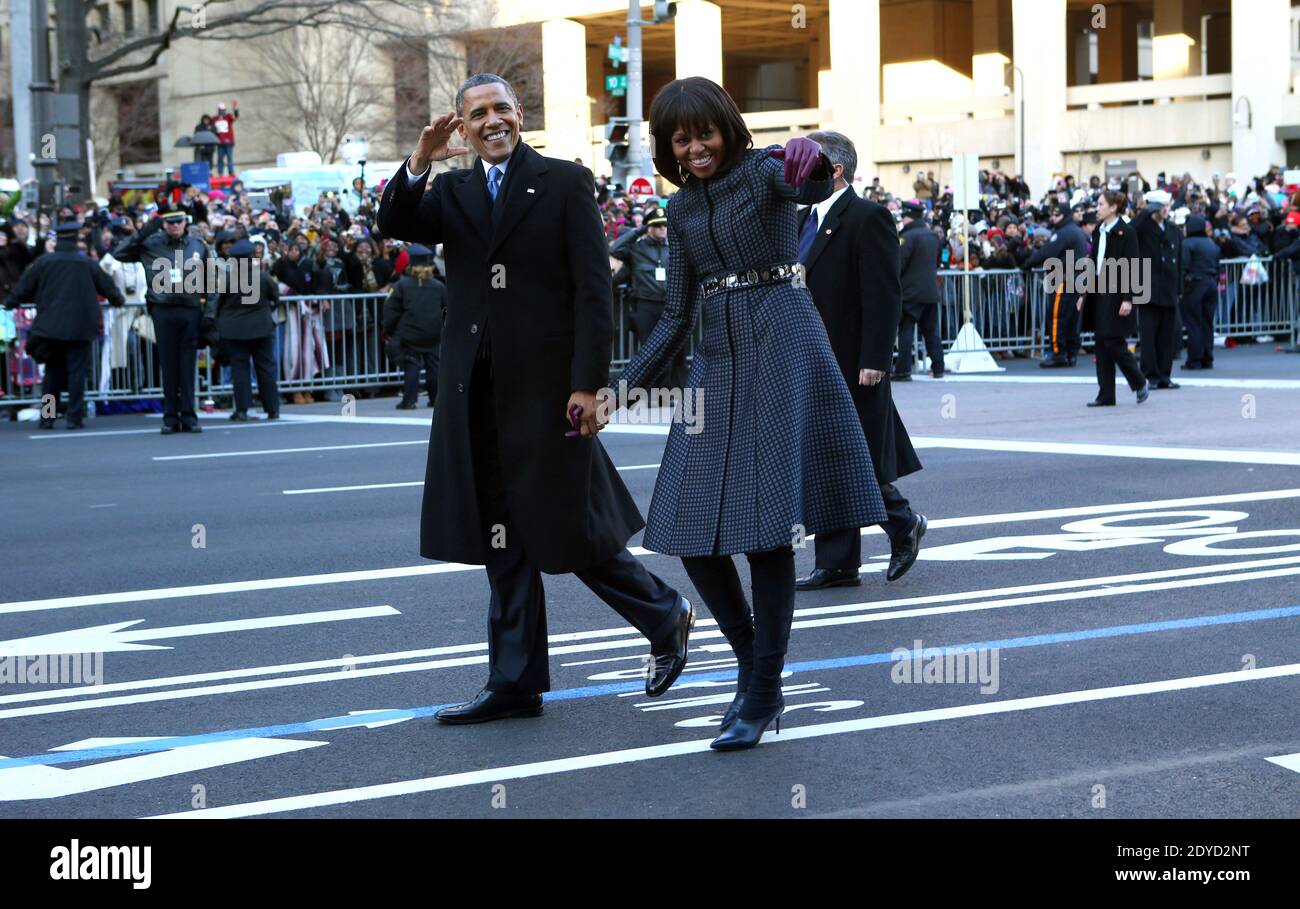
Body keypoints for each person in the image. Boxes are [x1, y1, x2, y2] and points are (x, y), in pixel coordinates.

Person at [378, 73, 693, 725]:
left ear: (520, 115)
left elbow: (592, 289)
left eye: (501, 110)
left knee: (562, 524)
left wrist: (589, 382)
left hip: (549, 389)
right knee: (503, 535)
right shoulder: (454, 189)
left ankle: (665, 614)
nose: (492, 121)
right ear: (461, 128)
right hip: (475, 393)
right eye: (477, 115)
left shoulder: (563, 181)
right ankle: (515, 680)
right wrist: (420, 159)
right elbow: (396, 219)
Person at [603, 77, 887, 751]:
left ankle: (760, 689)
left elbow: (811, 184)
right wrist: (622, 387)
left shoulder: (766, 173)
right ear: (667, 148)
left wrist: (807, 159)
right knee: (691, 530)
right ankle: (753, 664)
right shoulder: (679, 209)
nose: (695, 147)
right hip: (717, 359)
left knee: (765, 533)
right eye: (680, 138)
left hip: (783, 340)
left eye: (704, 132)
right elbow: (675, 312)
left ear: (727, 127)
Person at [794, 131, 927, 591]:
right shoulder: (801, 220)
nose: (796, 172)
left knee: (855, 455)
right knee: (827, 458)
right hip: (811, 358)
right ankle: (837, 561)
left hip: (853, 359)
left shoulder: (867, 216)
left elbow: (883, 291)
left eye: (807, 164)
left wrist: (876, 356)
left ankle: (902, 522)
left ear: (835, 170)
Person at [3, 223, 125, 429]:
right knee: (77, 374)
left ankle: (48, 417)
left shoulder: (43, 262)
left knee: (52, 374)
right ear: (76, 238)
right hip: (81, 327)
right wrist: (118, 300)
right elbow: (110, 290)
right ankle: (74, 418)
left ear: (57, 240)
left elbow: (22, 289)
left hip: (51, 328)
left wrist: (10, 303)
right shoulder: (86, 263)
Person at [112, 210, 214, 433]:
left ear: (185, 222)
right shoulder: (151, 243)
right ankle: (170, 417)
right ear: (163, 224)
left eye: (178, 222)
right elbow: (119, 253)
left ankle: (189, 415)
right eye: (170, 222)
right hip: (163, 309)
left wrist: (209, 314)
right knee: (168, 365)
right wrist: (145, 230)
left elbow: (212, 279)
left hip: (190, 309)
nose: (175, 226)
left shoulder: (197, 245)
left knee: (188, 366)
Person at [1078, 190, 1149, 407]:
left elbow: (1133, 266)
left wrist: (1128, 298)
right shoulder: (1100, 230)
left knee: (1113, 340)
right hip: (1098, 289)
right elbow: (1093, 262)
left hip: (1117, 291)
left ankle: (1138, 381)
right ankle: (1106, 393)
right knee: (1101, 342)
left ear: (1113, 207)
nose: (1097, 208)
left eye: (1101, 204)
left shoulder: (1126, 232)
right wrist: (1084, 292)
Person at [610, 210, 685, 391]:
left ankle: (668, 390)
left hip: (669, 304)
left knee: (671, 349)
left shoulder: (672, 247)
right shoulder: (638, 248)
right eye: (657, 225)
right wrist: (639, 230)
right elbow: (614, 249)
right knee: (650, 351)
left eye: (664, 225)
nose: (662, 229)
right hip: (645, 305)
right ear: (649, 228)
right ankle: (655, 391)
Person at [207, 239, 280, 421]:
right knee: (266, 368)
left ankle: (241, 410)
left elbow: (219, 303)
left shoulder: (228, 279)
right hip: (261, 327)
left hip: (234, 330)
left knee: (240, 370)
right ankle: (272, 409)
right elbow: (275, 296)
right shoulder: (262, 277)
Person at [1024, 205, 1090, 367]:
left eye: (1057, 215)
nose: (1053, 218)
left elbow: (1047, 251)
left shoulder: (1064, 232)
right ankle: (1070, 353)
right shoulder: (1076, 231)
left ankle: (1058, 353)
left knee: (1057, 317)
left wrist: (1026, 264)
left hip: (1064, 278)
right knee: (1072, 318)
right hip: (1075, 278)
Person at [1131, 191, 1183, 389]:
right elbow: (1129, 230)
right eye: (1161, 206)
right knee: (1149, 336)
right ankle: (1150, 375)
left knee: (1167, 336)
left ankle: (1164, 375)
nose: (1165, 210)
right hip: (1148, 289)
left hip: (1168, 288)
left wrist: (1179, 288)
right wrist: (1145, 212)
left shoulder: (1173, 229)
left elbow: (1179, 258)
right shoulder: (1143, 227)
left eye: (1167, 206)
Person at [382, 243, 443, 409]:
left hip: (409, 333)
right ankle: (436, 399)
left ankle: (409, 400)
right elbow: (446, 308)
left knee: (412, 366)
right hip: (433, 333)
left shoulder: (401, 286)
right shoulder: (438, 286)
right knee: (434, 367)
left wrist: (390, 330)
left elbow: (390, 310)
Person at [894, 200, 943, 380]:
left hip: (910, 293)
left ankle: (903, 370)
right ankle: (938, 367)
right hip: (930, 292)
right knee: (931, 332)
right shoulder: (932, 236)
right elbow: (936, 261)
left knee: (906, 331)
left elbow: (899, 264)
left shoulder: (907, 237)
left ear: (908, 217)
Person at [1180, 213, 1221, 369]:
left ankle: (1194, 359)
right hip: (1210, 283)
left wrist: (1181, 287)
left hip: (1194, 284)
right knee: (1206, 322)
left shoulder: (1187, 244)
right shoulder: (1211, 243)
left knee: (1193, 323)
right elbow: (1218, 265)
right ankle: (1207, 357)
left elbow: (1183, 266)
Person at [212, 101, 239, 176]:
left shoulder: (228, 117)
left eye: (223, 110)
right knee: (220, 158)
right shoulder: (215, 118)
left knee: (229, 157)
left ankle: (231, 171)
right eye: (220, 110)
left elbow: (235, 116)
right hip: (219, 142)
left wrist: (235, 108)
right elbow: (212, 128)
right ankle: (220, 172)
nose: (221, 111)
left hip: (228, 141)